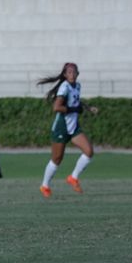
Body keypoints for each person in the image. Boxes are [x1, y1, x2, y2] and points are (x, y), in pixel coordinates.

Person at [37, 63, 98, 198]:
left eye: (74, 72)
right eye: (69, 72)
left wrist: (88, 108)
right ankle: (45, 185)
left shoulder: (77, 86)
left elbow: (76, 100)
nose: (72, 74)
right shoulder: (64, 87)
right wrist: (74, 110)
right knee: (57, 159)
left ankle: (73, 177)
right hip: (61, 127)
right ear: (65, 75)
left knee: (89, 151)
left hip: (73, 126)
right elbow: (57, 107)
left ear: (78, 73)